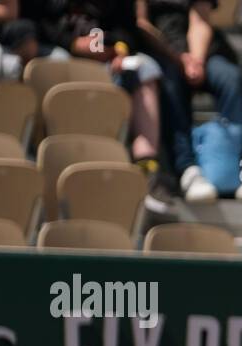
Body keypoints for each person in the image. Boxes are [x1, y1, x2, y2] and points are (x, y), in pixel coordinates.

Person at [64, 0, 175, 212]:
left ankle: (147, 167)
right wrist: (72, 43)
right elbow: (35, 22)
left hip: (110, 61)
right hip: (62, 57)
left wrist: (121, 48)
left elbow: (128, 28)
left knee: (146, 67)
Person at [144, 0, 242, 201]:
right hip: (162, 52)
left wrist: (196, 61)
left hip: (203, 51)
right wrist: (178, 57)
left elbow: (200, 20)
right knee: (169, 82)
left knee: (230, 77)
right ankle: (187, 169)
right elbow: (142, 24)